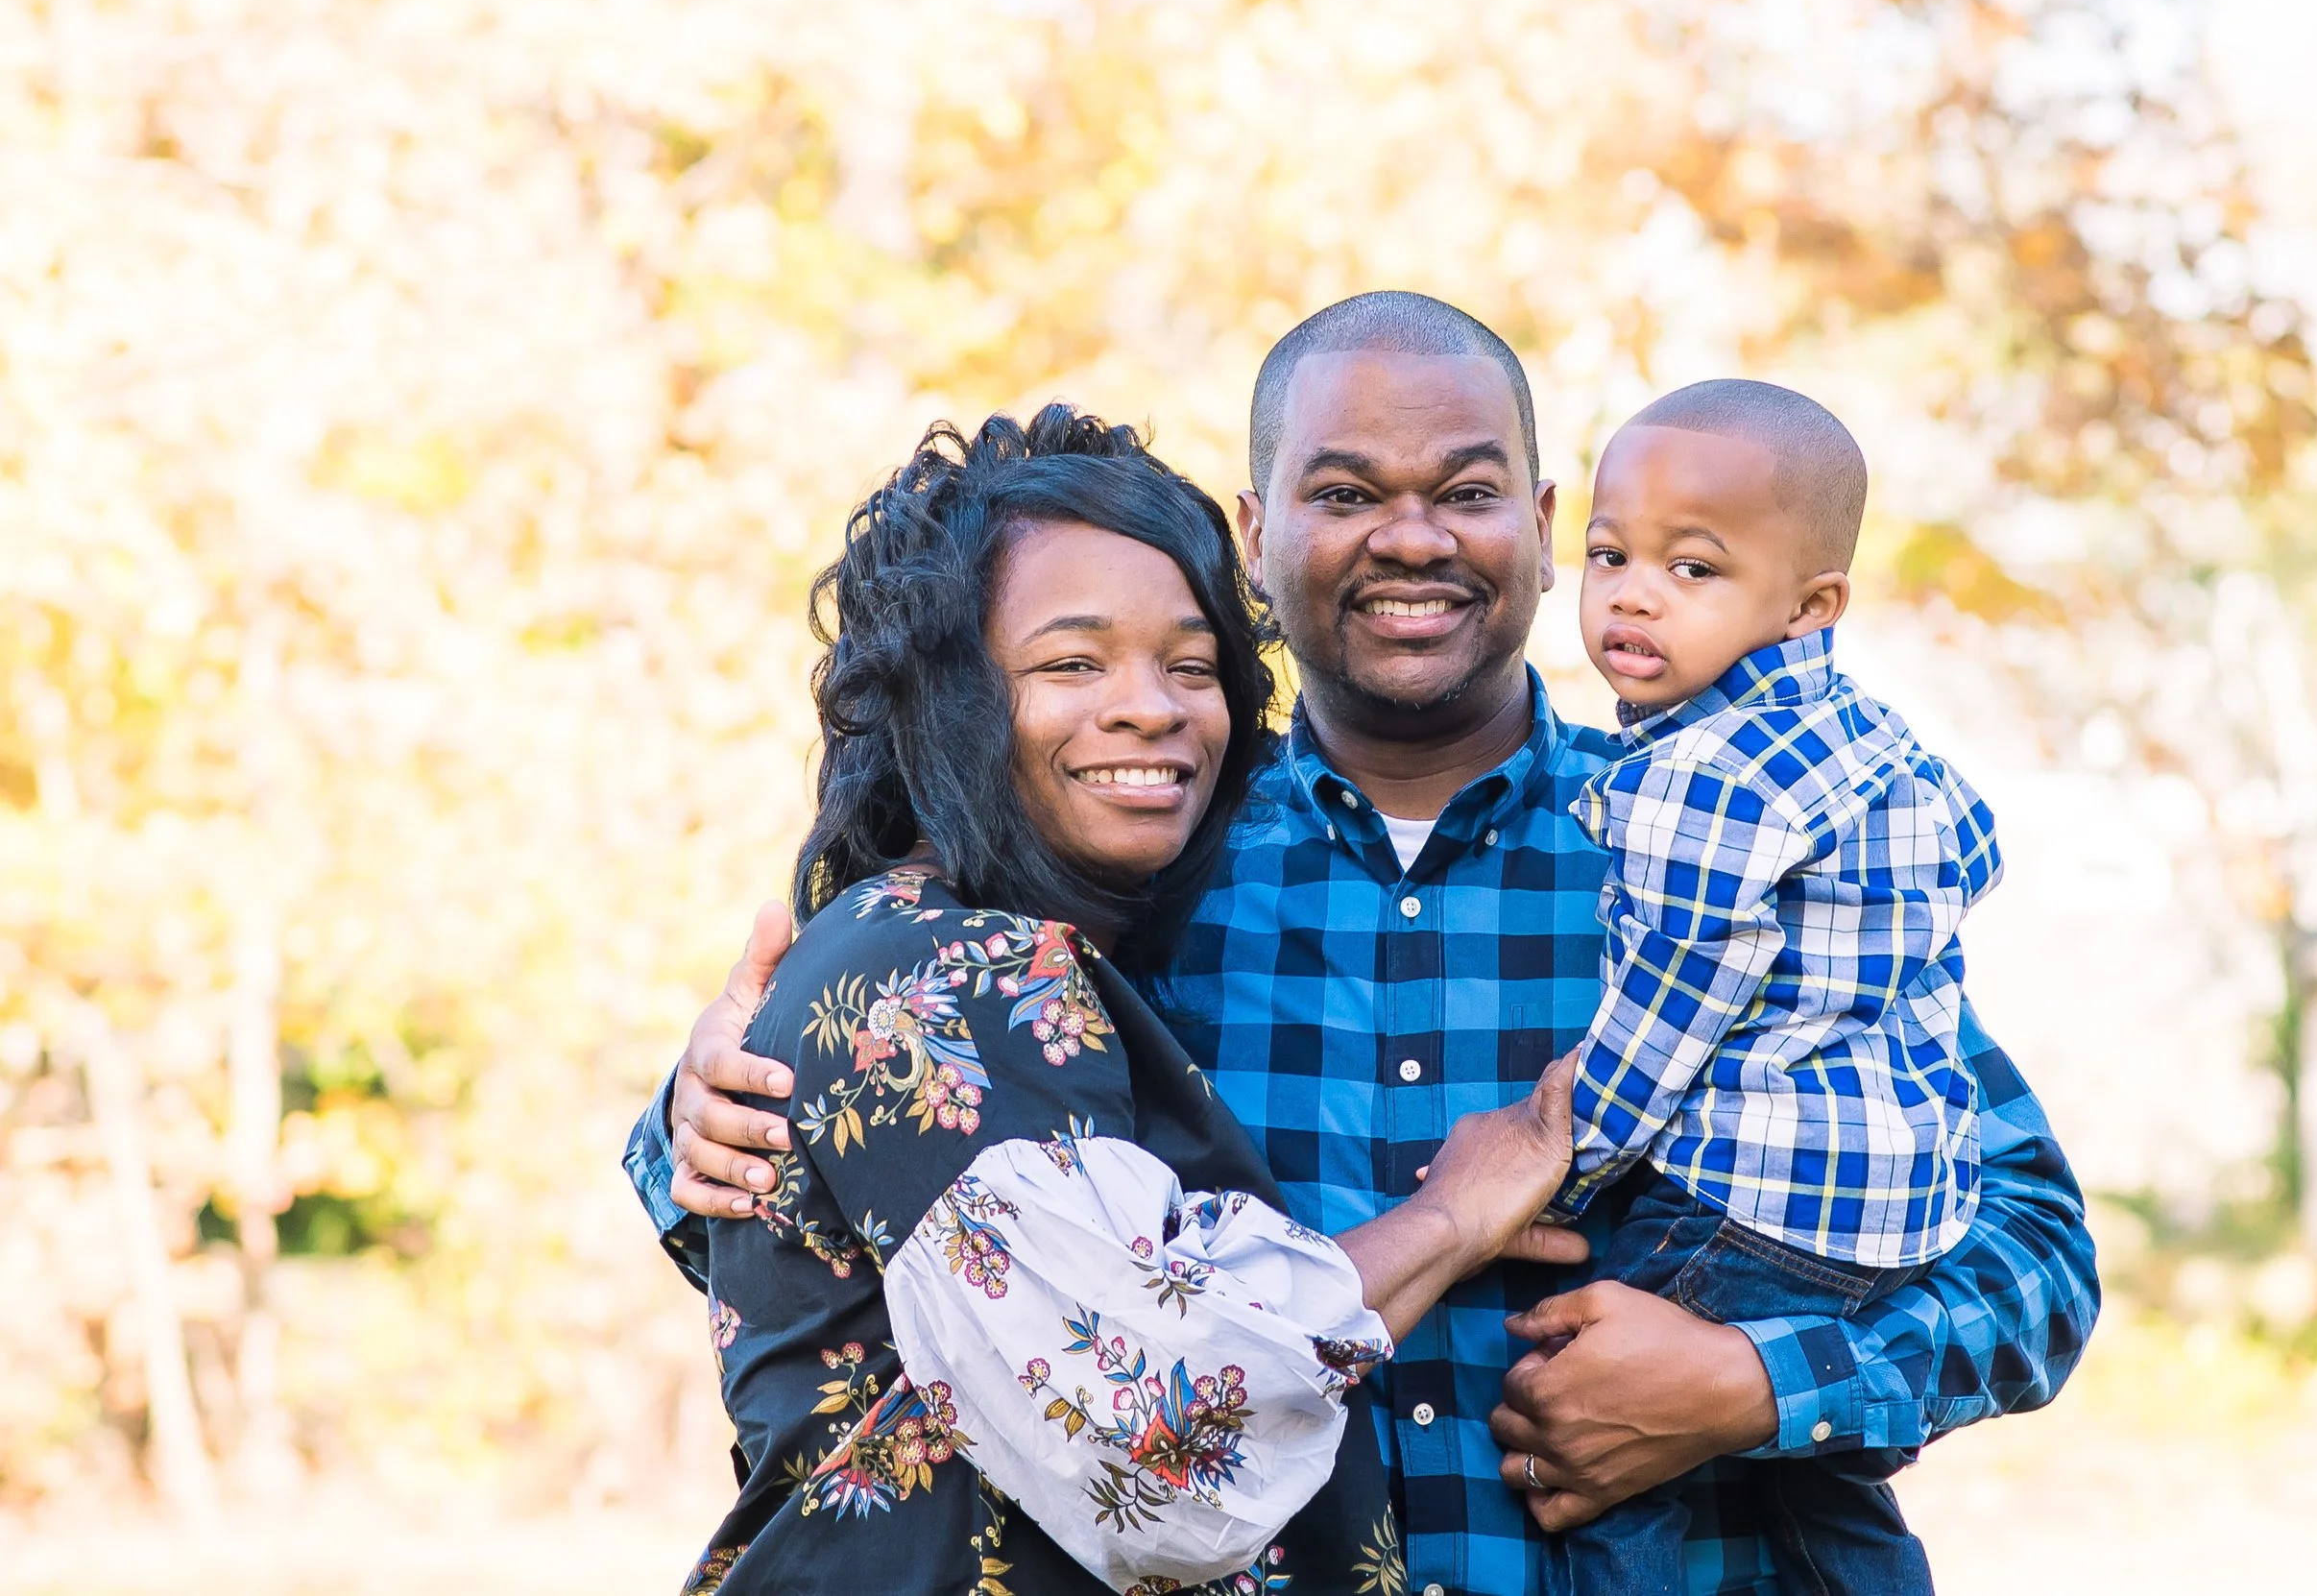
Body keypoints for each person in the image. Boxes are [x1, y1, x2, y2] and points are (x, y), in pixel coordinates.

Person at [639, 293, 2102, 1596]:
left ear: (1541, 525)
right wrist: (692, 1117)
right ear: (1259, 536)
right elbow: (882, 1152)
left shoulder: (1726, 849)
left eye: (1465, 491)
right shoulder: (1134, 848)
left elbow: (2033, 1256)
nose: (1413, 536)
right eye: (1345, 492)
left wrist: (1753, 1381)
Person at [682, 402, 1587, 1596]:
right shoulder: (949, 970)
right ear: (950, 695)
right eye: (1071, 661)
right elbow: (1157, 1416)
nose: (1150, 707)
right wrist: (1454, 1216)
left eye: (1192, 663)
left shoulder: (1096, 926)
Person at [1538, 380, 2003, 1596]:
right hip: (1893, 1204)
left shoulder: (1701, 778)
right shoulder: (1878, 743)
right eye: (1608, 553)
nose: (1633, 592)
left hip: (1750, 1193)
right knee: (1821, 1477)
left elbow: (1670, 1002)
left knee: (1595, 1437)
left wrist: (1565, 1162)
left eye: (1694, 570)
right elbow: (1976, 845)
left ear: (1811, 603)